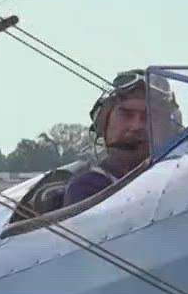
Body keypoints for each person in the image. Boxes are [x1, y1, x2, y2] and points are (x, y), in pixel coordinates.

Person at [61, 70, 180, 208]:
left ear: (168, 127)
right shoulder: (89, 186)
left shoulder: (184, 176)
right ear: (104, 122)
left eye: (149, 117)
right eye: (125, 114)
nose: (136, 126)